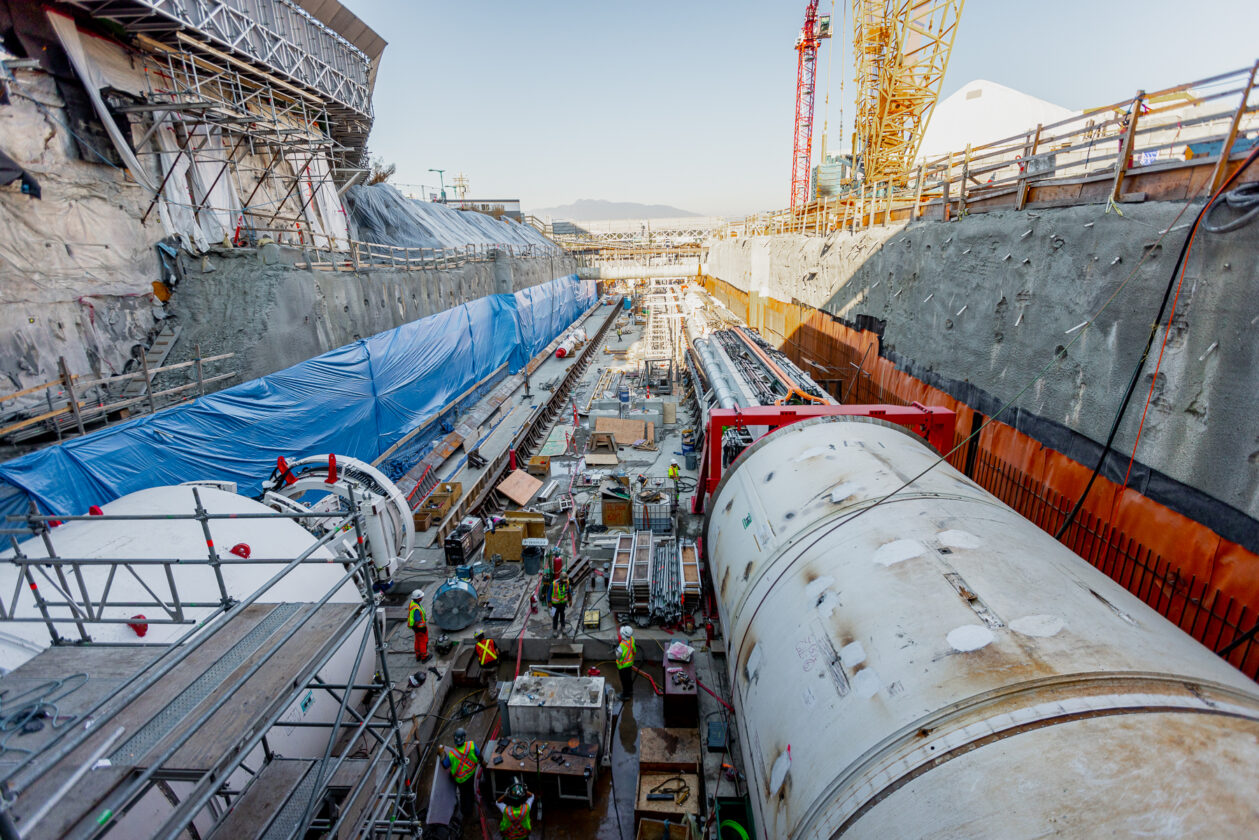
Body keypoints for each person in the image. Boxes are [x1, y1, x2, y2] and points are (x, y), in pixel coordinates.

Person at [441, 727, 484, 823]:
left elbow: (445, 765)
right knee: (470, 789)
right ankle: (471, 804)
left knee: (463, 794)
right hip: (471, 774)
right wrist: (482, 763)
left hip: (461, 780)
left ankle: (465, 811)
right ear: (464, 737)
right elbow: (479, 755)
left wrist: (442, 755)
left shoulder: (452, 754)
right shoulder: (471, 745)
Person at [407, 589, 431, 662]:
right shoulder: (417, 609)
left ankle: (418, 655)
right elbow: (417, 620)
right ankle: (424, 656)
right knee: (423, 642)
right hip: (420, 628)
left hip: (416, 628)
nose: (422, 598)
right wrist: (416, 627)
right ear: (418, 598)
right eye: (421, 597)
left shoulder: (413, 603)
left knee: (417, 641)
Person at [615, 625, 636, 699]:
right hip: (630, 664)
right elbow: (634, 651)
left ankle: (625, 695)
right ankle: (630, 691)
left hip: (623, 666)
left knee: (624, 680)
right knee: (629, 678)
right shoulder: (632, 639)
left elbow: (618, 656)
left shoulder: (622, 646)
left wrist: (616, 650)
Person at [550, 571, 570, 636]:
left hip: (563, 603)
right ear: (560, 579)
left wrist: (570, 600)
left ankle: (563, 627)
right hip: (555, 604)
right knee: (555, 617)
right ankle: (555, 629)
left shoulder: (567, 583)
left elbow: (569, 592)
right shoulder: (554, 584)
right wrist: (549, 602)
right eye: (563, 580)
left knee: (562, 615)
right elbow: (549, 594)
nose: (564, 581)